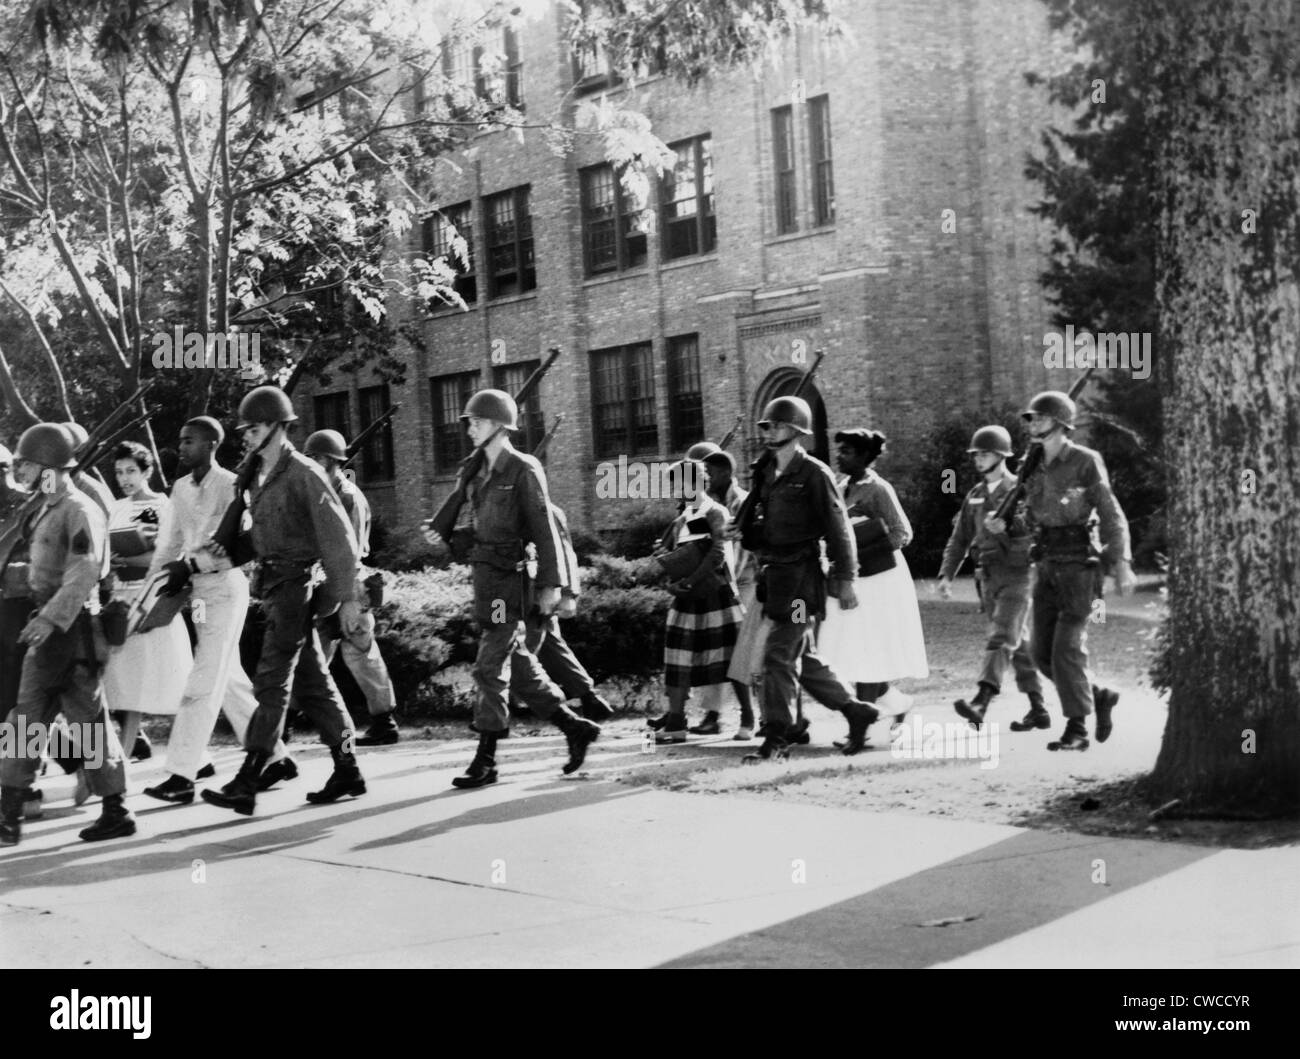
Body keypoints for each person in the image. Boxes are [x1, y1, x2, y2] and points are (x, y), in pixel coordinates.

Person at [201, 386, 367, 814]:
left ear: (278, 427)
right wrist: (227, 552)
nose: (249, 435)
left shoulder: (303, 473)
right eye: (247, 429)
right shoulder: (257, 477)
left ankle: (249, 774)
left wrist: (347, 598)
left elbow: (339, 540)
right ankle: (347, 766)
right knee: (314, 684)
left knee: (271, 681)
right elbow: (260, 538)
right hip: (274, 586)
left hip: (296, 587)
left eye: (255, 428)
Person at [422, 388, 599, 789]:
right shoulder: (476, 470)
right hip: (488, 580)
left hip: (510, 586)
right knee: (518, 667)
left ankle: (485, 760)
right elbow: (482, 531)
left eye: (478, 422)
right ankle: (574, 728)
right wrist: (446, 536)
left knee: (488, 665)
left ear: (500, 427)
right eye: (469, 421)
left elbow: (545, 530)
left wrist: (553, 585)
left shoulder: (523, 468)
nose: (469, 428)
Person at [140, 418, 294, 805]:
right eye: (180, 440)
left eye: (190, 440)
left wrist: (189, 566)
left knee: (202, 683)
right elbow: (168, 544)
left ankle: (180, 775)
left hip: (224, 590)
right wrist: (148, 593)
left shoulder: (232, 485)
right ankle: (275, 757)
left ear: (211, 443)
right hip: (198, 596)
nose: (183, 446)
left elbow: (235, 543)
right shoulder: (179, 488)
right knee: (227, 680)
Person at [0, 423, 133, 845]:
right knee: (25, 719)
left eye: (27, 463)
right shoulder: (45, 508)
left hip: (73, 632)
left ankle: (116, 808)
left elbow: (84, 572)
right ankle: (8, 813)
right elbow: (49, 568)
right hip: (49, 631)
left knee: (88, 725)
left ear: (48, 466)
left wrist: (48, 618)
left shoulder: (78, 509)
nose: (20, 470)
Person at [738, 396, 880, 761]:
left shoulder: (815, 474)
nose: (770, 431)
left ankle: (776, 737)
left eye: (778, 425)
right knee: (804, 658)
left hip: (801, 585)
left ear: (797, 431)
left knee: (778, 656)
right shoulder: (766, 472)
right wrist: (736, 529)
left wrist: (846, 578)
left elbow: (839, 528)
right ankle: (856, 710)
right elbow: (755, 520)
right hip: (775, 579)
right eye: (767, 426)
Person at [1016, 391, 1133, 750]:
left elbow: (1111, 512)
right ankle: (1097, 695)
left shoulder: (1085, 460)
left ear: (1060, 423)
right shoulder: (1030, 464)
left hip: (1080, 565)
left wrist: (1123, 562)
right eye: (1031, 419)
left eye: (1040, 417)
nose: (1033, 424)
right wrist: (1004, 525)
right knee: (1040, 654)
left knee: (1066, 649)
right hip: (1047, 563)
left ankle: (1077, 730)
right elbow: (1026, 515)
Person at [817, 429, 928, 724]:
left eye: (847, 452)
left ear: (865, 457)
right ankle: (895, 702)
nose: (839, 456)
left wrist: (863, 548)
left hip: (880, 579)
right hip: (852, 577)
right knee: (855, 645)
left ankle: (863, 724)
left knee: (870, 646)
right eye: (839, 450)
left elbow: (902, 533)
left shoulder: (878, 489)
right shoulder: (840, 486)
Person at [938, 425, 1044, 728]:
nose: (978, 459)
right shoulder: (975, 495)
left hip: (1018, 575)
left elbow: (1035, 529)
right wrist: (947, 574)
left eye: (984, 454)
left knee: (1000, 636)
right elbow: (959, 538)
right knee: (1016, 643)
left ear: (1001, 455)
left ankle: (982, 701)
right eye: (976, 454)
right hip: (988, 579)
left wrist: (1010, 526)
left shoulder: (1020, 490)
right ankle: (1038, 707)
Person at [299, 429, 400, 746]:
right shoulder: (321, 491)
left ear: (330, 460)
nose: (311, 463)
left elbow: (351, 549)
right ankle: (291, 721)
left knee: (361, 653)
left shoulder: (349, 496)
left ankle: (385, 722)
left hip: (349, 583)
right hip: (325, 584)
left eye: (316, 457)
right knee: (313, 654)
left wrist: (347, 598)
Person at [101, 442, 193, 772]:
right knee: (122, 684)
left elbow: (165, 555)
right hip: (120, 598)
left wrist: (124, 559)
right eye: (119, 472)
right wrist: (108, 566)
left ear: (146, 472)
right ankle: (118, 760)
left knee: (161, 681)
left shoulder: (160, 506)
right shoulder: (115, 507)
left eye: (130, 471)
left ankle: (193, 756)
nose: (124, 478)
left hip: (150, 598)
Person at [647, 459, 743, 743]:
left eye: (682, 484)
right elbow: (665, 554)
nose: (677, 490)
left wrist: (690, 580)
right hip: (686, 598)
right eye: (674, 484)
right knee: (677, 660)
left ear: (700, 483)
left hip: (716, 597)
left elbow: (718, 553)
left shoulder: (716, 512)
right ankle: (676, 722)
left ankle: (751, 720)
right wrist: (668, 565)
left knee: (730, 660)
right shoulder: (681, 518)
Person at [511, 501, 614, 723]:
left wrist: (566, 593)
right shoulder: (523, 507)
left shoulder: (542, 510)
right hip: (531, 590)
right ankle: (591, 700)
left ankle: (517, 705)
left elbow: (563, 553)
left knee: (517, 648)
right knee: (551, 645)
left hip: (536, 592)